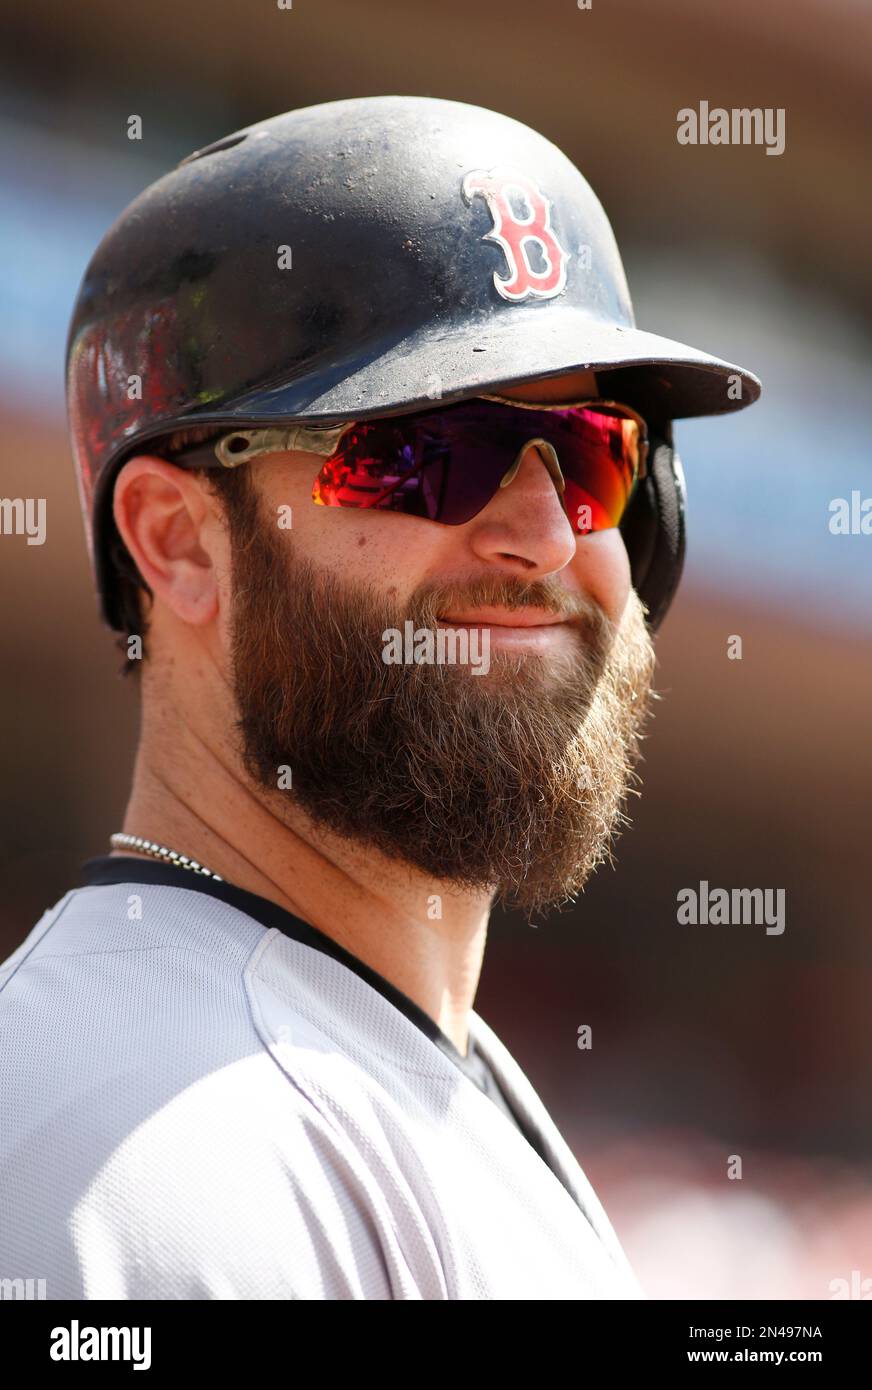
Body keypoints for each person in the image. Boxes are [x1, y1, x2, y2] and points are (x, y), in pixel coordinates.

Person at [0, 96, 760, 1299]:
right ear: (179, 544)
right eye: (424, 450)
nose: (539, 538)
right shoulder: (123, 1159)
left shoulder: (402, 1064)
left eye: (594, 454)